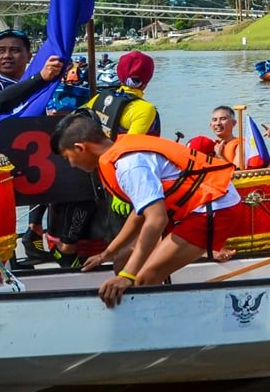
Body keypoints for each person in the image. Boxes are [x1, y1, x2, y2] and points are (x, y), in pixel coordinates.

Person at [54, 114, 240, 307]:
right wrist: (107, 254)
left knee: (144, 278)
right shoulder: (120, 154)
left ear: (80, 148)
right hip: (203, 205)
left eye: (68, 158)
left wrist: (128, 276)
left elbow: (156, 219)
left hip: (216, 205)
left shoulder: (128, 165)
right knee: (123, 261)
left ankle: (158, 330)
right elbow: (139, 213)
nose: (71, 165)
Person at [0, 28, 66, 126]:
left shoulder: (39, 85)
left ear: (29, 57)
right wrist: (40, 77)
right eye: (1, 51)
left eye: (14, 50)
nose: (7, 56)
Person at [86, 51, 160, 136]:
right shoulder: (144, 110)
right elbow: (130, 146)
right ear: (147, 80)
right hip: (118, 148)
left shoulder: (99, 97)